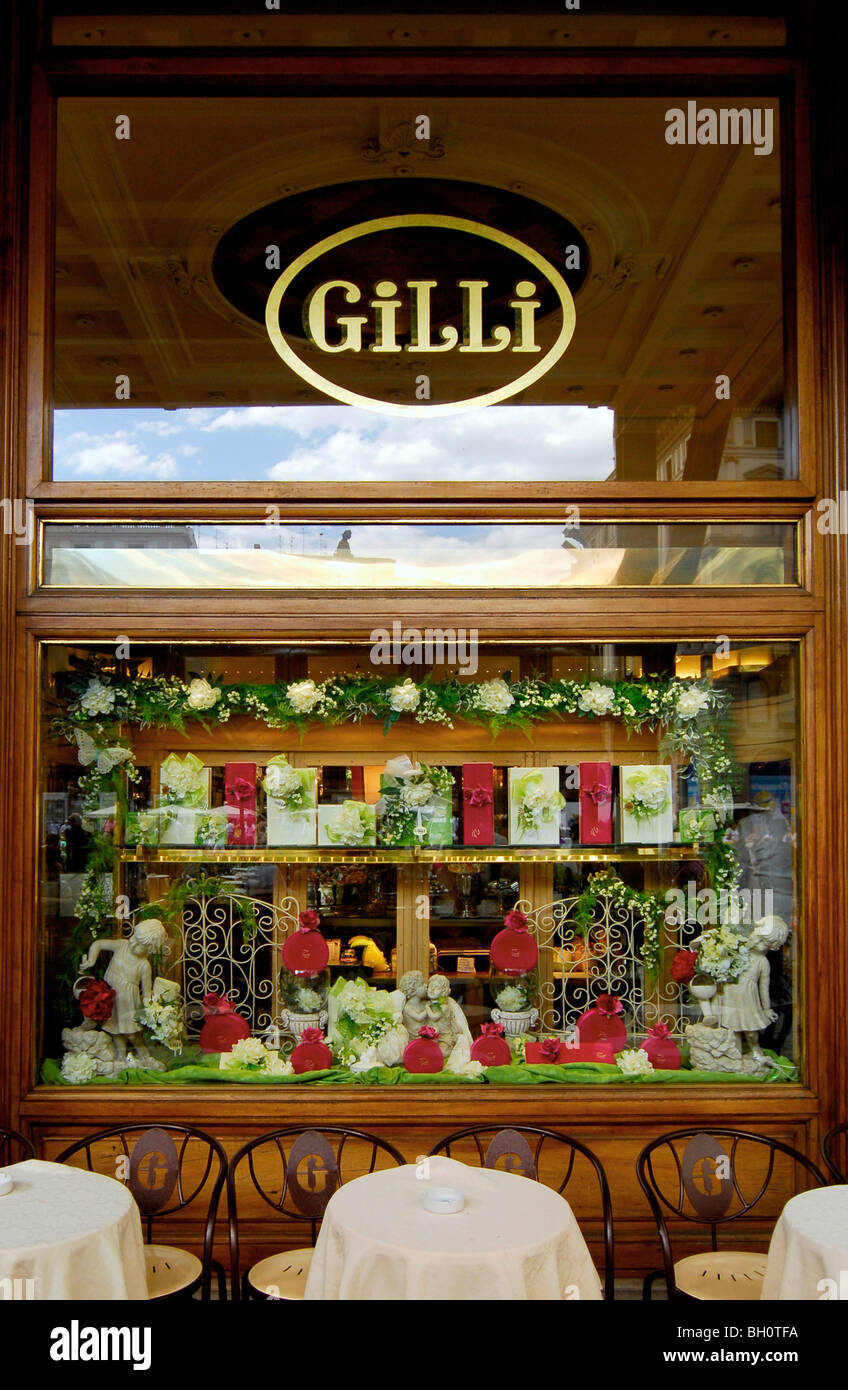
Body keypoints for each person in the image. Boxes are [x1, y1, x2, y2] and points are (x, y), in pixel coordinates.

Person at [79, 918, 171, 1065]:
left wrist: (149, 1009)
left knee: (132, 1034)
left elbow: (146, 992)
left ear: (150, 949)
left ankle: (144, 1055)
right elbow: (98, 944)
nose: (133, 943)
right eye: (134, 937)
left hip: (128, 1004)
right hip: (110, 999)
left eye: (140, 944)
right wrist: (91, 961)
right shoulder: (122, 945)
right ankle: (120, 1057)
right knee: (114, 1029)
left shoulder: (144, 965)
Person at [715, 915, 790, 1066]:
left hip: (748, 1000)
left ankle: (756, 1051)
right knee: (733, 1028)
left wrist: (766, 1008)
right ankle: (736, 1057)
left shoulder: (763, 962)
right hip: (731, 995)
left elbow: (763, 988)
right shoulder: (739, 951)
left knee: (750, 1031)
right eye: (758, 937)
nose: (758, 943)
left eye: (764, 943)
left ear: (771, 947)